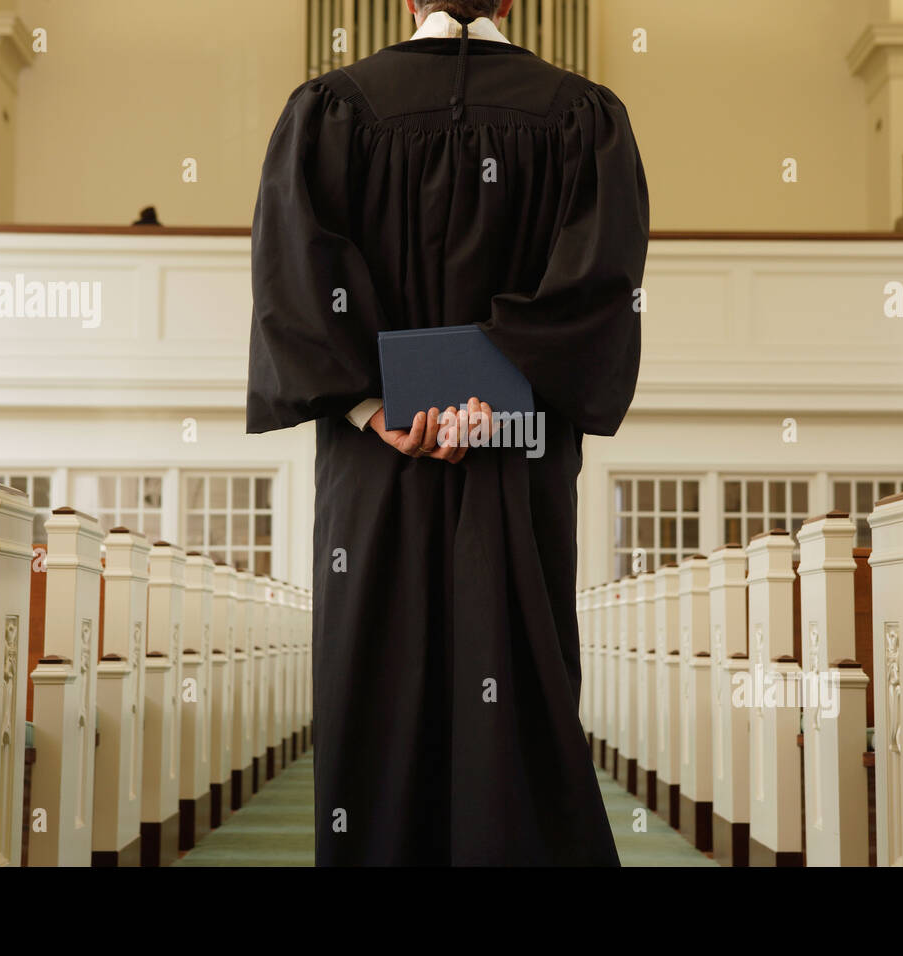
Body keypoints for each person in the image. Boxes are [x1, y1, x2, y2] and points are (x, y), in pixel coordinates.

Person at [246, 0, 649, 865]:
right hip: (519, 463)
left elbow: (295, 279)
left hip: (373, 472)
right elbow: (597, 287)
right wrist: (495, 394)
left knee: (377, 694)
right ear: (511, 2)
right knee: (523, 701)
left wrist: (375, 407)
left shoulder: (332, 107)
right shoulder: (583, 116)